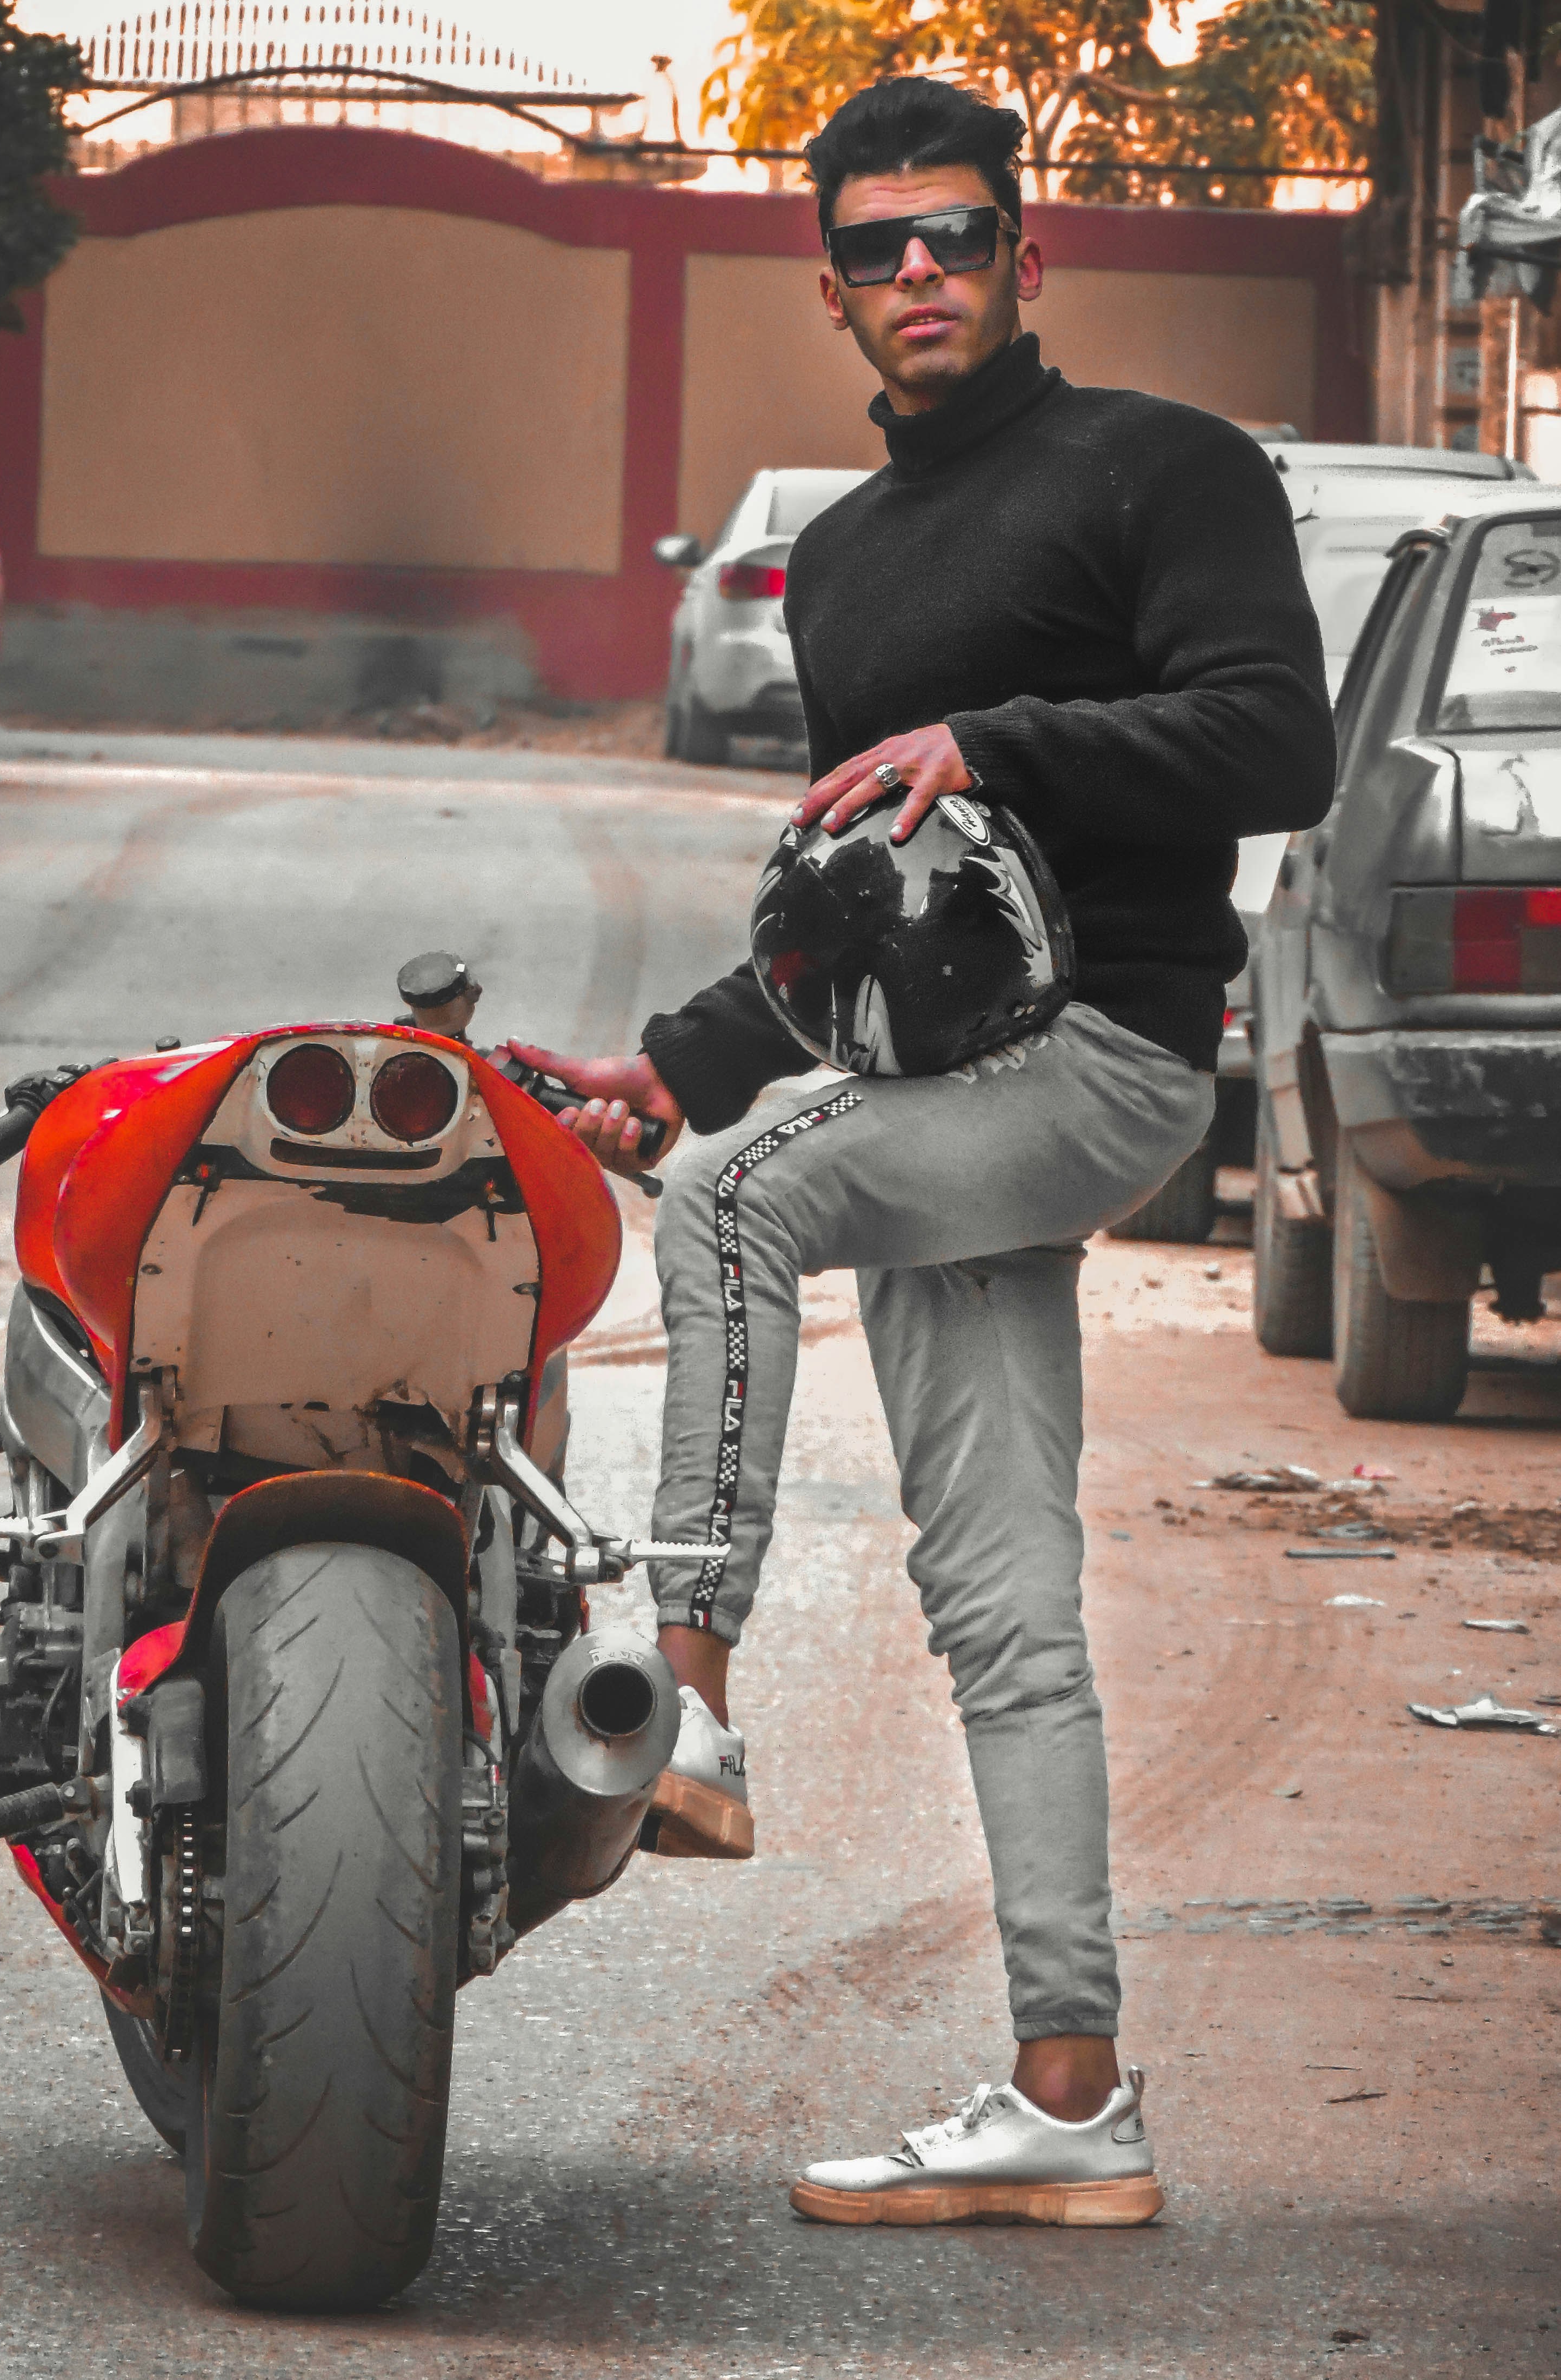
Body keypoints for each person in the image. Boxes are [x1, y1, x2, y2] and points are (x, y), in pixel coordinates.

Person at [506, 75, 1333, 2227]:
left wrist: (1006, 734)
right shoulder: (848, 562)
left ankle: (682, 1693)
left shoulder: (1158, 467)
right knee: (1001, 1602)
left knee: (741, 1208)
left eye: (954, 235)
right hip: (946, 1087)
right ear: (835, 288)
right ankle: (1071, 2100)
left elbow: (1278, 739)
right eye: (874, 248)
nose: (918, 276)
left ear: (1024, 256)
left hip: (1110, 1062)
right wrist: (672, 1064)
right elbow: (857, 915)